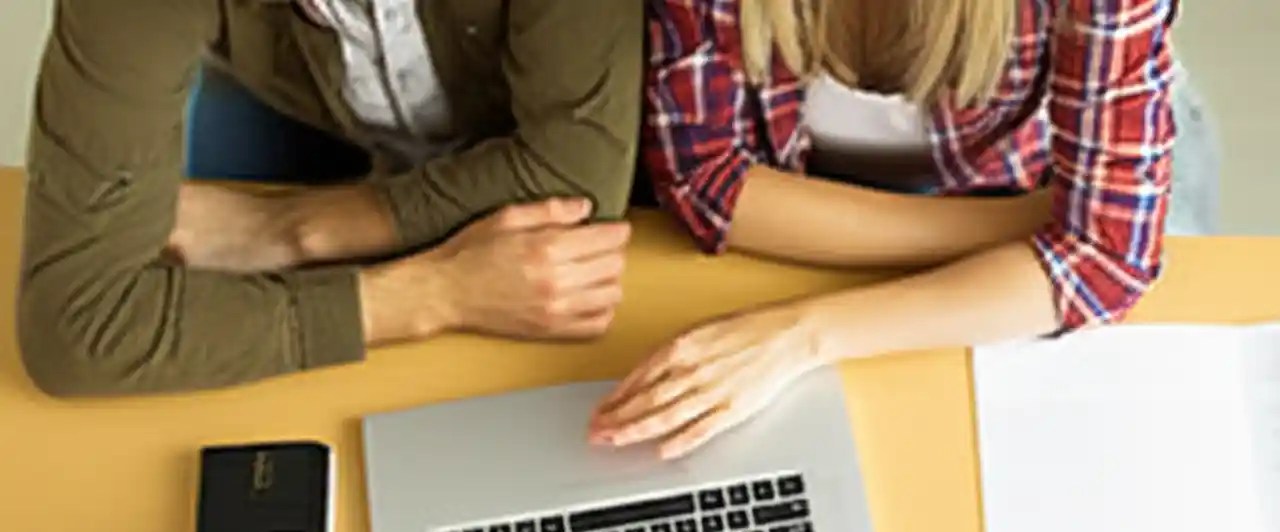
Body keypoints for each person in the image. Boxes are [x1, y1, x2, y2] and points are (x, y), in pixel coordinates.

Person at [591, 0, 1195, 458]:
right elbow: (705, 181)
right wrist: (1014, 228)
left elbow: (1107, 261)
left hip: (1029, 183)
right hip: (1008, 221)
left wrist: (800, 336)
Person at [18, 0, 642, 396]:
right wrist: (423, 296)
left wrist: (293, 229)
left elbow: (575, 183)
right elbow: (77, 325)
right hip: (341, 150)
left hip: (608, 230)